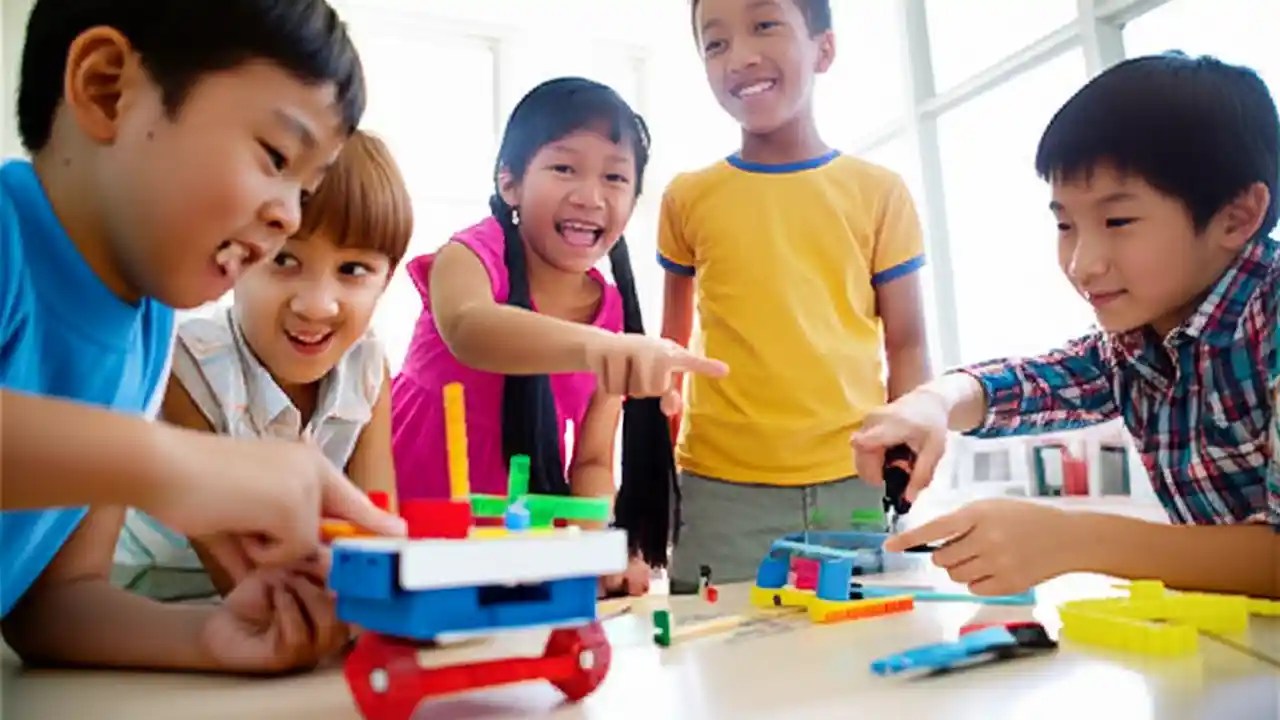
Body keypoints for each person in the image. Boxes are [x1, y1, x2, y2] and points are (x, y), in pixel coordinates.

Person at [1, 0, 404, 673]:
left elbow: (52, 603)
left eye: (307, 188)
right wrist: (172, 465)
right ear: (107, 89)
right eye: (276, 156)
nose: (286, 215)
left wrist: (211, 640)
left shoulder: (147, 326)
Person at [854, 53, 1279, 600]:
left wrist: (1073, 540)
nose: (1083, 263)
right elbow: (1037, 381)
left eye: (1118, 221)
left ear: (1236, 217)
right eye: (1064, 225)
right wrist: (932, 402)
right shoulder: (1140, 341)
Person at [391, 77, 728, 596]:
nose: (590, 196)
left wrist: (593, 550)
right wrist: (599, 348)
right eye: (564, 168)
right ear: (510, 183)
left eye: (615, 178)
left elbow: (592, 459)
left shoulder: (610, 313)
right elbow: (468, 328)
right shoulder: (472, 254)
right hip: (406, 531)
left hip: (514, 555)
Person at [659, 0, 932, 589]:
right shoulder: (686, 197)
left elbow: (908, 342)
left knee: (856, 658)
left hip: (854, 481)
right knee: (721, 667)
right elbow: (669, 353)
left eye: (764, 25)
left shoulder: (879, 193)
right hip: (719, 494)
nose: (740, 56)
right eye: (715, 43)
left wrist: (904, 453)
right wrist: (655, 479)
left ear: (824, 49)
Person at [116, 131, 412, 601]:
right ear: (236, 258)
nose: (317, 306)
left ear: (386, 280)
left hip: (281, 601)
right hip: (146, 605)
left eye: (353, 270)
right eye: (286, 260)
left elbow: (376, 526)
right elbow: (240, 573)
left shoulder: (368, 367)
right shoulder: (184, 363)